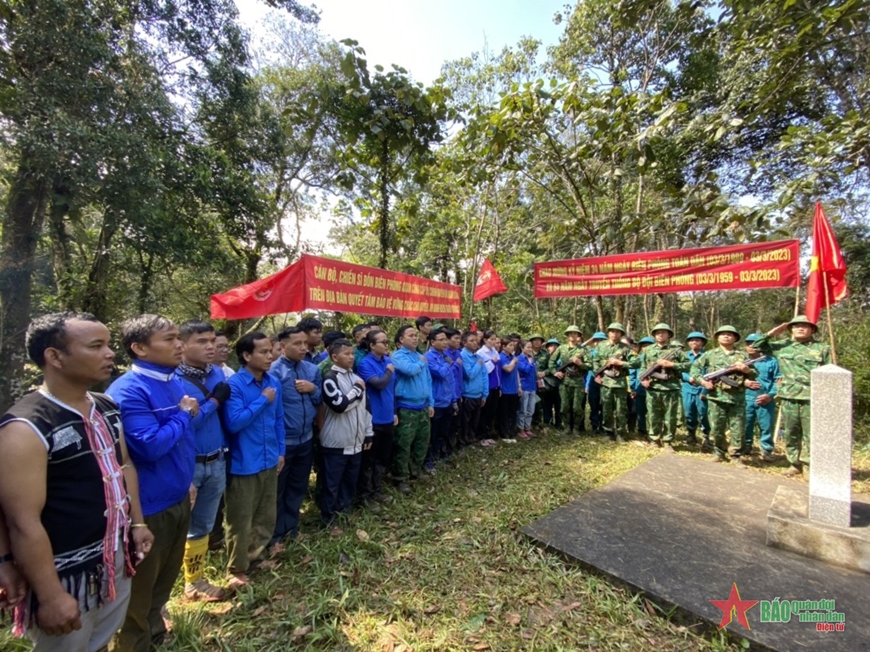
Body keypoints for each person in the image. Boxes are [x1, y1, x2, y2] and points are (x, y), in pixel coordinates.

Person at [0, 312, 153, 652]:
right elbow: (22, 521)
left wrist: (137, 522)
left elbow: (124, 464)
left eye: (109, 344)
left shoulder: (106, 408)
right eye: (96, 346)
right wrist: (51, 594)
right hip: (65, 573)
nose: (110, 353)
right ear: (54, 357)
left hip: (115, 555)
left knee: (99, 640)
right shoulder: (26, 428)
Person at [106, 314, 197, 651]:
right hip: (149, 508)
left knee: (161, 585)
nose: (179, 345)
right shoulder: (129, 391)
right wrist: (184, 414)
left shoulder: (174, 381)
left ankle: (154, 637)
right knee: (138, 598)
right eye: (170, 339)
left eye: (178, 337)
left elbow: (181, 443)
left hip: (177, 498)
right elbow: (149, 445)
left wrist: (187, 481)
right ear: (139, 347)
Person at [176, 320, 232, 602]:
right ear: (182, 345)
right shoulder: (174, 380)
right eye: (202, 342)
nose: (210, 346)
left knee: (203, 525)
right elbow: (186, 423)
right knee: (173, 529)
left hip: (217, 459)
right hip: (188, 464)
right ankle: (157, 596)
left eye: (212, 340)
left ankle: (194, 581)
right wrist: (214, 402)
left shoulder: (217, 374)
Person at [223, 332, 284, 587]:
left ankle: (256, 558)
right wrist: (262, 400)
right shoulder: (235, 385)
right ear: (247, 356)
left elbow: (278, 418)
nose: (270, 356)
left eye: (270, 351)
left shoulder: (273, 381)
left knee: (265, 514)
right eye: (263, 352)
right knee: (240, 518)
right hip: (244, 461)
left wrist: (281, 451)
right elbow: (234, 422)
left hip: (270, 457)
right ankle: (236, 568)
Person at [750, 315, 832, 476]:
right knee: (791, 432)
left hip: (812, 397)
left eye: (805, 326)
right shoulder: (782, 346)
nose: (800, 328)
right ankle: (794, 463)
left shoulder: (823, 348)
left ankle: (809, 465)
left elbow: (829, 373)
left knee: (811, 433)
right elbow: (755, 347)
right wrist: (772, 333)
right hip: (789, 396)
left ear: (812, 330)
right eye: (796, 326)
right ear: (790, 329)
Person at [269, 326, 322, 543]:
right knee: (277, 490)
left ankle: (291, 527)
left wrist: (313, 389)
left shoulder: (312, 370)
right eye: (297, 344)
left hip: (306, 438)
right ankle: (275, 534)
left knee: (298, 486)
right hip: (283, 442)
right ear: (282, 346)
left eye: (304, 343)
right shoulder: (273, 373)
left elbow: (320, 401)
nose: (303, 348)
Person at [319, 339, 371, 526]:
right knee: (332, 483)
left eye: (352, 353)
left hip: (356, 441)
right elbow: (339, 405)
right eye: (346, 354)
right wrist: (357, 391)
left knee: (349, 480)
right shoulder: (330, 379)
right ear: (334, 357)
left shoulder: (355, 377)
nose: (351, 357)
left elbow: (365, 408)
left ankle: (344, 512)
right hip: (336, 442)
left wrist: (368, 432)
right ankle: (329, 518)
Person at [690, 325, 757, 462]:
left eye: (730, 334)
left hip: (736, 398)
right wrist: (703, 382)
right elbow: (694, 370)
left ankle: (736, 456)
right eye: (723, 334)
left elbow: (755, 373)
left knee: (737, 428)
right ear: (717, 338)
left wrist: (746, 370)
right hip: (716, 397)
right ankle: (719, 453)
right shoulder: (710, 355)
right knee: (716, 428)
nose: (726, 336)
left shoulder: (742, 356)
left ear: (735, 338)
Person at [356, 330, 397, 510]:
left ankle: (377, 489)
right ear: (372, 345)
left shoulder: (388, 361)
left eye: (388, 341)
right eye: (383, 342)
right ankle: (365, 494)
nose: (387, 345)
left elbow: (392, 389)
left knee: (382, 457)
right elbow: (379, 385)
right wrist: (388, 372)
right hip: (373, 419)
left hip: (388, 416)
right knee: (368, 460)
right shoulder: (365, 363)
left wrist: (394, 411)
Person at [391, 325, 434, 494]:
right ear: (401, 340)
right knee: (403, 444)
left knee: (422, 441)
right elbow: (409, 371)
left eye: (416, 335)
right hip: (406, 407)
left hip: (422, 406)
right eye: (411, 335)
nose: (415, 338)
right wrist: (421, 362)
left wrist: (431, 402)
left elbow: (428, 381)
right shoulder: (398, 356)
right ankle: (400, 478)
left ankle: (415, 470)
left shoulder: (420, 357)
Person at [639, 323, 689, 450]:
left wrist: (672, 365)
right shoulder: (648, 350)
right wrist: (643, 379)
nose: (660, 334)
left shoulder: (676, 350)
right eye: (658, 332)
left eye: (663, 332)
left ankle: (668, 441)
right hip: (653, 387)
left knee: (670, 416)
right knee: (653, 415)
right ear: (654, 335)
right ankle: (654, 439)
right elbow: (643, 367)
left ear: (669, 335)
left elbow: (688, 365)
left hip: (671, 387)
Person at [593, 323, 637, 443]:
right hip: (605, 382)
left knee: (621, 409)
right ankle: (609, 433)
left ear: (621, 334)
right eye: (612, 331)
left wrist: (620, 363)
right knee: (606, 408)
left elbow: (635, 363)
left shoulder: (626, 348)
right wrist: (597, 374)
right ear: (608, 333)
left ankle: (620, 434)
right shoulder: (601, 346)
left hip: (620, 383)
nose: (614, 333)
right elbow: (595, 361)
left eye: (617, 332)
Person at [742, 333, 781, 462]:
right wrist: (744, 382)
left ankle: (766, 450)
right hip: (745, 397)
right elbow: (731, 378)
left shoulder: (772, 361)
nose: (752, 346)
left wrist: (770, 395)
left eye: (755, 343)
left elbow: (778, 380)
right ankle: (746, 447)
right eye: (748, 343)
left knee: (766, 425)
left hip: (766, 399)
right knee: (745, 424)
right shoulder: (741, 360)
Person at [549, 326, 589, 436]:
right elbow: (551, 362)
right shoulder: (561, 348)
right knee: (564, 406)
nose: (572, 335)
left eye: (575, 333)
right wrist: (555, 372)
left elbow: (590, 366)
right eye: (570, 333)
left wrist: (580, 364)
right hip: (564, 382)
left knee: (577, 407)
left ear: (578, 336)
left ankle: (576, 428)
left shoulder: (583, 350)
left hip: (578, 382)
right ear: (567, 335)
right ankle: (566, 427)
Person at [425, 328, 454, 468]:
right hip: (436, 402)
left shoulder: (444, 356)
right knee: (433, 434)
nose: (445, 342)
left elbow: (451, 379)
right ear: (432, 342)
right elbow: (440, 373)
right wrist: (448, 363)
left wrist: (454, 399)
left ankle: (439, 455)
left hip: (447, 400)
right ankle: (429, 460)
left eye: (445, 339)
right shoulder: (428, 357)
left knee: (444, 431)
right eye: (441, 340)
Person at [681, 331, 711, 448]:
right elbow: (680, 371)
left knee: (704, 414)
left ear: (702, 343)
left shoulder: (708, 356)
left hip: (702, 389)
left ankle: (706, 436)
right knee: (689, 413)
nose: (694, 342)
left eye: (697, 340)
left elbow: (712, 374)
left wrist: (705, 390)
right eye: (692, 340)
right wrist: (688, 378)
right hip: (687, 388)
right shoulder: (684, 356)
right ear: (688, 343)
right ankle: (691, 434)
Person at [460, 331, 488, 446]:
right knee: (465, 421)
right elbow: (469, 374)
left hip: (478, 394)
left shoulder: (478, 357)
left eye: (476, 340)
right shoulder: (462, 356)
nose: (475, 343)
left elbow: (484, 376)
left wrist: (485, 394)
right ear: (464, 343)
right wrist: (478, 364)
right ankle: (463, 442)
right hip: (468, 394)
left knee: (474, 421)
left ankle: (471, 440)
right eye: (471, 341)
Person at [477, 330, 502, 445]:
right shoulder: (481, 353)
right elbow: (484, 370)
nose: (493, 342)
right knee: (485, 412)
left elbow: (499, 371)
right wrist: (492, 362)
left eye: (495, 339)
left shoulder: (495, 352)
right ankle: (481, 435)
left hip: (496, 386)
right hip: (487, 387)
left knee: (492, 411)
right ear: (485, 340)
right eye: (491, 339)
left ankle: (488, 433)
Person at [443, 327, 464, 455]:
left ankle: (453, 446)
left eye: (459, 338)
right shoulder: (445, 355)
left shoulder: (458, 353)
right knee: (447, 424)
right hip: (448, 395)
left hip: (458, 393)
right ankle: (445, 450)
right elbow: (449, 373)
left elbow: (460, 376)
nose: (458, 341)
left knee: (457, 423)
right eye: (455, 338)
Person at [629, 337, 654, 438]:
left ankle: (654, 432)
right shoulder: (637, 359)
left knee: (653, 413)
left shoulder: (657, 358)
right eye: (643, 346)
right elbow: (633, 375)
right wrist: (633, 389)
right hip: (640, 390)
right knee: (640, 412)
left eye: (648, 345)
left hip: (654, 390)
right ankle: (642, 431)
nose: (645, 347)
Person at [497, 338, 520, 443]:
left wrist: (519, 386)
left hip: (514, 389)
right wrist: (513, 361)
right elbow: (508, 369)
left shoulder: (513, 357)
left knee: (512, 412)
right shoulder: (501, 357)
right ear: (503, 347)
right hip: (505, 390)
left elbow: (516, 373)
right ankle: (504, 433)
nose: (512, 347)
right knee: (504, 413)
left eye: (513, 345)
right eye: (510, 345)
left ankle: (511, 432)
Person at [516, 339, 538, 438]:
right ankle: (520, 429)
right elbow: (524, 370)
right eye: (527, 347)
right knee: (522, 410)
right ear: (522, 348)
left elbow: (534, 373)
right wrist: (529, 363)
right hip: (524, 387)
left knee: (531, 410)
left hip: (532, 387)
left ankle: (527, 428)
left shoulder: (531, 358)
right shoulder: (519, 359)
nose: (530, 349)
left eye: (530, 347)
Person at [586, 331, 607, 433]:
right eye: (596, 341)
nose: (598, 343)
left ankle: (603, 426)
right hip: (592, 381)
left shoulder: (608, 352)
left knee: (604, 405)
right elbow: (579, 348)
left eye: (601, 340)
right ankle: (594, 425)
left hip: (606, 381)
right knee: (593, 404)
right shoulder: (590, 352)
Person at [539, 339, 562, 429]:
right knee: (547, 404)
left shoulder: (561, 358)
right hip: (547, 383)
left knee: (558, 404)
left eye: (555, 346)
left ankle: (558, 423)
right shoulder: (545, 357)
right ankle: (547, 422)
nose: (553, 348)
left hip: (559, 383)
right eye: (551, 346)